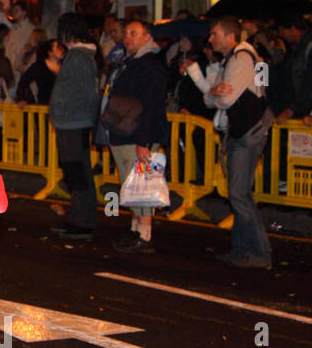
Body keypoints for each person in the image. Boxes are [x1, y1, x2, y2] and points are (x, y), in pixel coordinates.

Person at [188, 16, 274, 269]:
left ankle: (258, 252)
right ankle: (241, 249)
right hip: (246, 130)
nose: (210, 39)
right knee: (239, 193)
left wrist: (214, 94)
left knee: (238, 194)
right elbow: (210, 97)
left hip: (247, 132)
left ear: (229, 35)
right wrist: (214, 93)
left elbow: (222, 100)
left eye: (215, 34)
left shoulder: (240, 59)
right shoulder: (238, 58)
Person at [103, 20, 171, 254]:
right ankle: (135, 228)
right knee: (129, 184)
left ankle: (144, 232)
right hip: (124, 131)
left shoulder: (151, 64)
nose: (128, 37)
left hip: (137, 134)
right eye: (127, 33)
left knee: (141, 186)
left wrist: (144, 141)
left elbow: (152, 105)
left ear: (147, 36)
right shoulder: (129, 62)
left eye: (134, 33)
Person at [49, 14, 101, 239]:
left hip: (74, 123)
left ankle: (83, 221)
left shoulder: (79, 56)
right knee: (75, 173)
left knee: (77, 174)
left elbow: (83, 92)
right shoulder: (79, 56)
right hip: (71, 122)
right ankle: (78, 218)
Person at [16, 38, 64, 105]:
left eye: (62, 47)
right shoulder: (39, 67)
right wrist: (22, 99)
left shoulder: (66, 65)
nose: (62, 50)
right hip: (45, 107)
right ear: (50, 52)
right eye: (58, 47)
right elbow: (23, 82)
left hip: (64, 107)